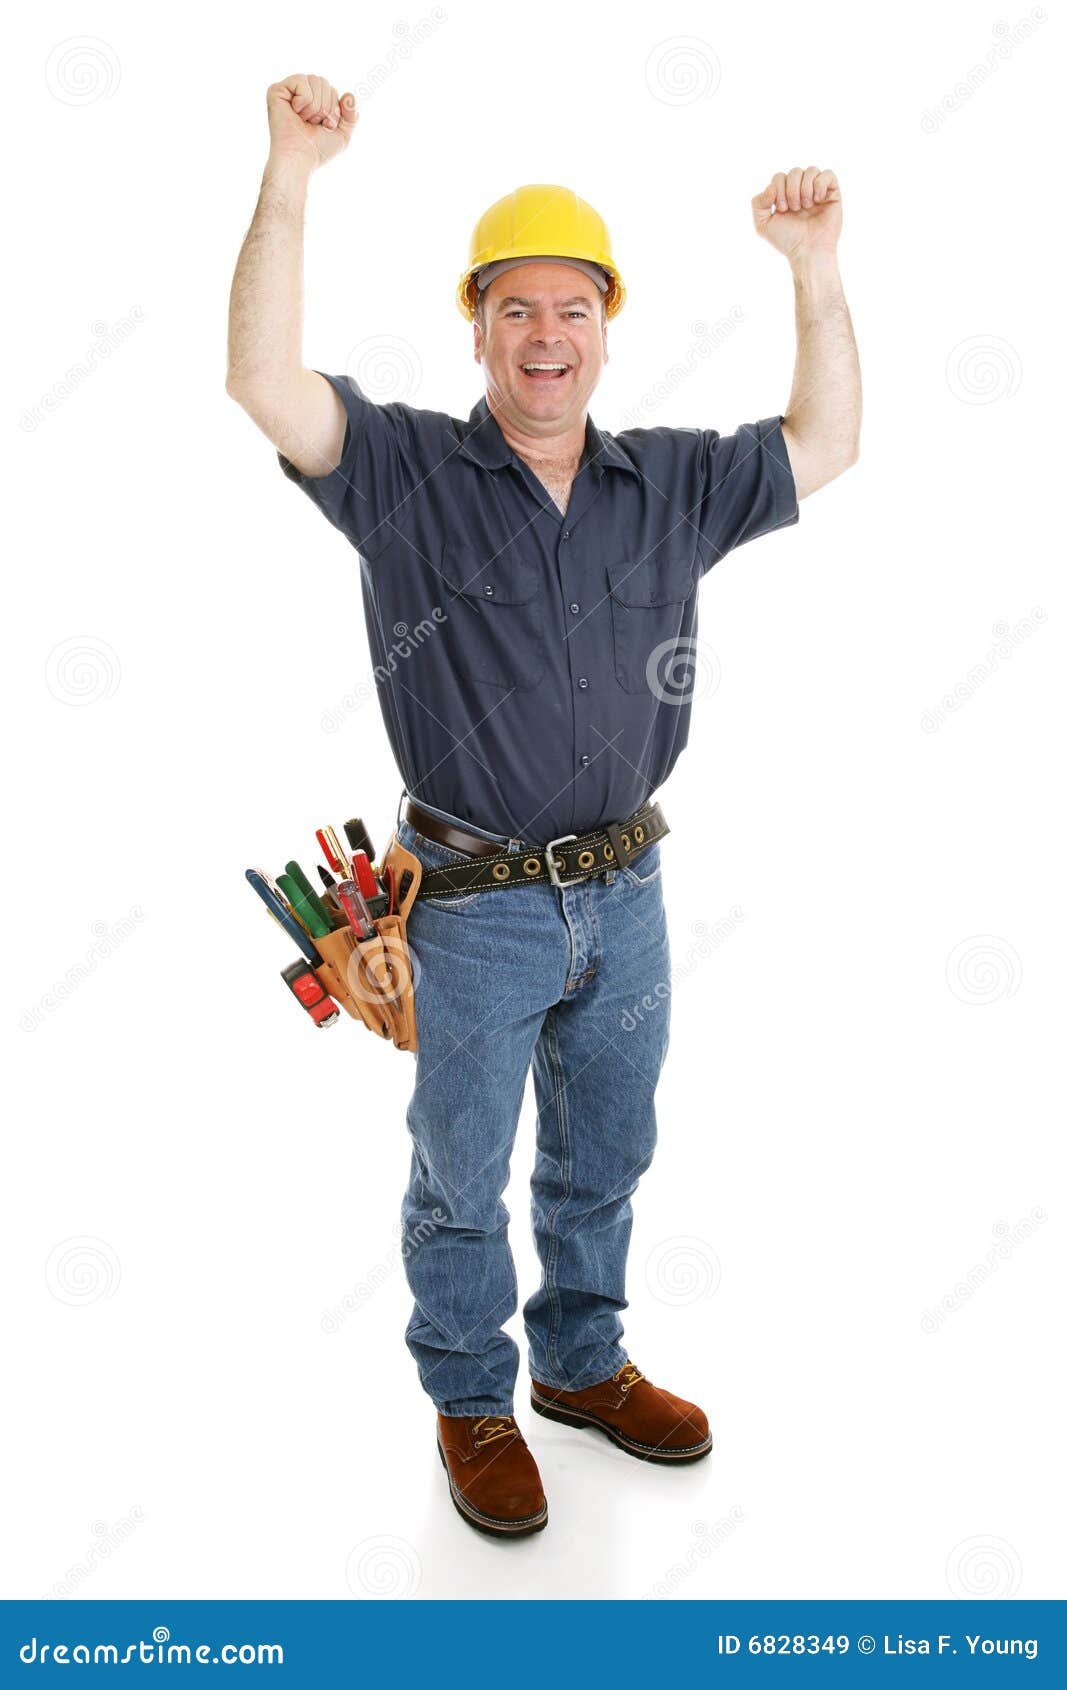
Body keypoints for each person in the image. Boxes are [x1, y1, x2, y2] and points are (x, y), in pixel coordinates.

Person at [226, 73, 861, 1540]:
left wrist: (816, 276)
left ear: (605, 325)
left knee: (608, 1149)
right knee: (461, 1171)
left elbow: (826, 443)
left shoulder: (673, 486)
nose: (547, 336)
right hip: (470, 906)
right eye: (517, 308)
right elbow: (263, 381)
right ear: (479, 328)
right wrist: (291, 177)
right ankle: (470, 1395)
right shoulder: (399, 475)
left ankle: (581, 1364)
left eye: (573, 307)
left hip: (628, 896)